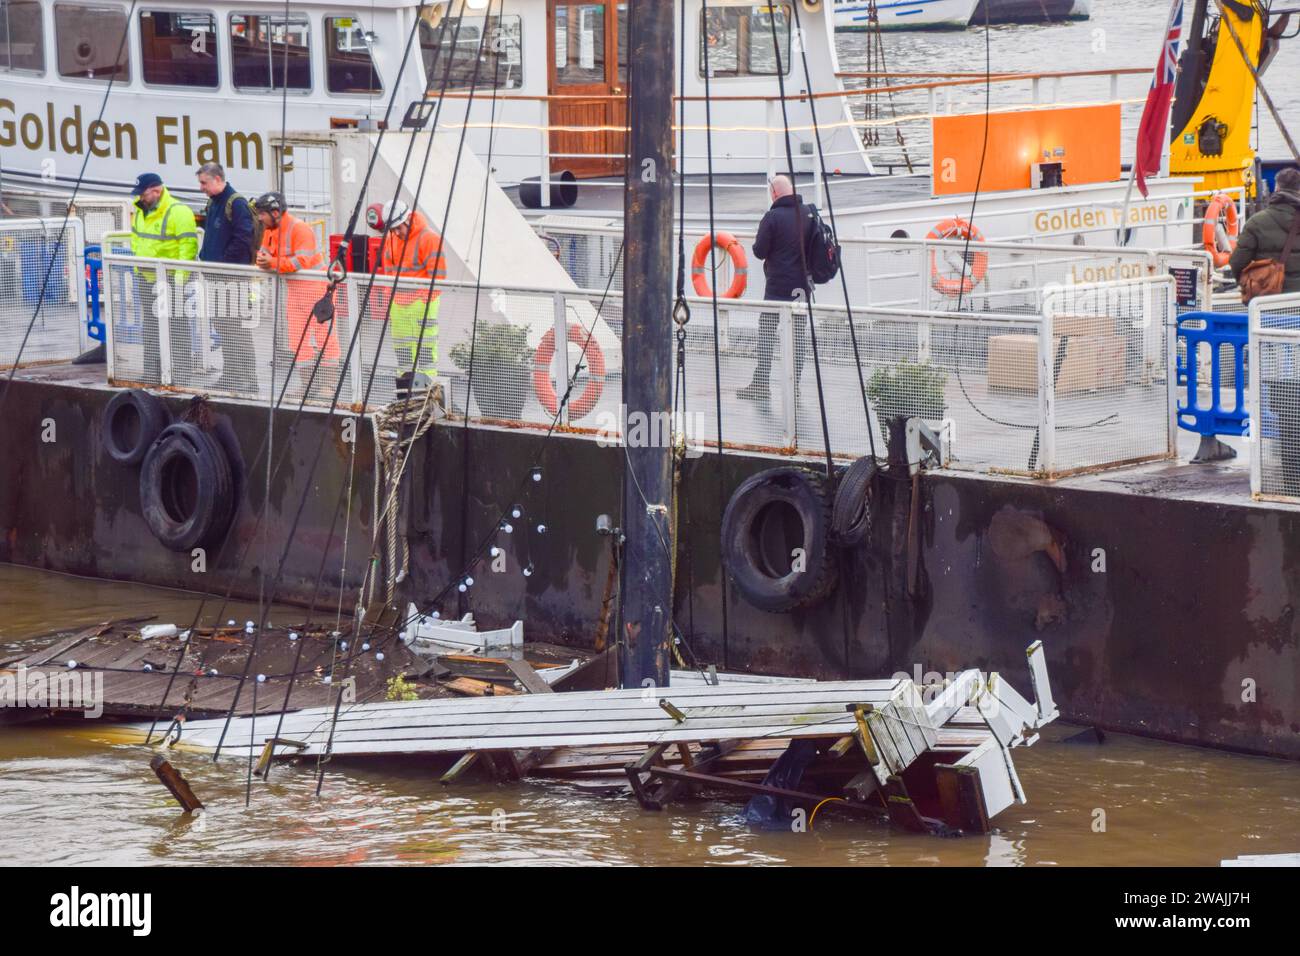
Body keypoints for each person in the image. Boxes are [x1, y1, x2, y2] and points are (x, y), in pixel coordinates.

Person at [252, 191, 338, 394]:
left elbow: (301, 262)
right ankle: (307, 387)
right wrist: (263, 261)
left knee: (325, 338)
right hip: (296, 292)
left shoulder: (300, 229)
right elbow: (265, 255)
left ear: (275, 212)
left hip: (317, 290)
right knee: (297, 340)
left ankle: (328, 387)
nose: (260, 218)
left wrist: (270, 263)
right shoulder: (270, 230)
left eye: (263, 214)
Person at [738, 175, 814, 402]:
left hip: (776, 287)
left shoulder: (772, 217)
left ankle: (761, 383)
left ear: (774, 194)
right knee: (798, 337)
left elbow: (760, 251)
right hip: (801, 287)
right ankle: (795, 387)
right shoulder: (809, 214)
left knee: (767, 335)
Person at [370, 199, 446, 393]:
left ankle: (428, 389)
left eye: (397, 228)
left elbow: (438, 276)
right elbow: (388, 269)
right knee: (403, 350)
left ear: (407, 220)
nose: (396, 232)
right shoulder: (391, 238)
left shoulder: (429, 239)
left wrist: (422, 300)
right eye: (392, 229)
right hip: (399, 304)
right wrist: (391, 295)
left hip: (421, 304)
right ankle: (405, 390)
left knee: (425, 350)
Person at [129, 172, 198, 381]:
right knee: (150, 328)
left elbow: (188, 247)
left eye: (143, 193)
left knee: (177, 327)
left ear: (156, 191)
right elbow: (137, 241)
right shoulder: (141, 210)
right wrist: (137, 270)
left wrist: (179, 280)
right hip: (146, 279)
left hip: (171, 281)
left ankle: (183, 373)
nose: (140, 197)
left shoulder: (179, 212)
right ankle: (151, 371)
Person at [196, 162, 257, 392]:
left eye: (204, 183)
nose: (201, 187)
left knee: (238, 329)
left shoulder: (236, 203)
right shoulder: (213, 202)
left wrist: (222, 263)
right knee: (223, 327)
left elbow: (244, 237)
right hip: (216, 276)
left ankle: (249, 380)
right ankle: (231, 375)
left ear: (218, 179)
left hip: (232, 278)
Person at [1230, 166, 1300, 294]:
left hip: (1268, 298)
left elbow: (1237, 262)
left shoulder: (1256, 222)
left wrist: (1249, 284)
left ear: (1277, 188)